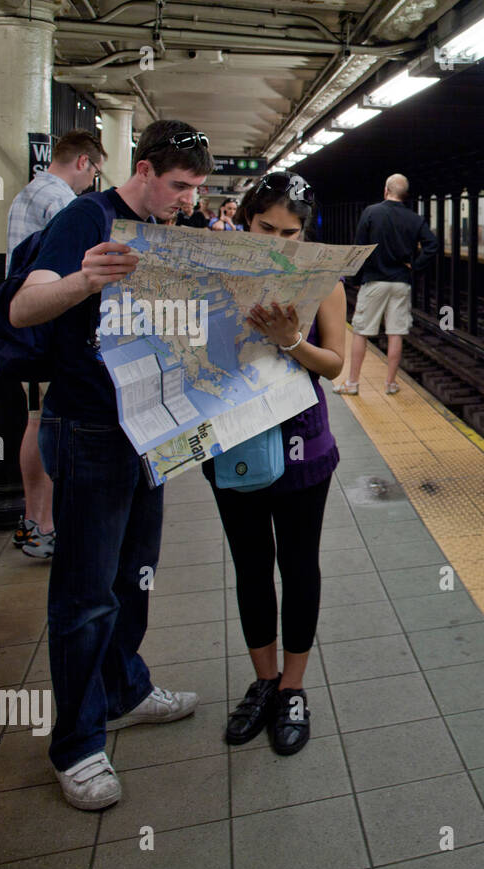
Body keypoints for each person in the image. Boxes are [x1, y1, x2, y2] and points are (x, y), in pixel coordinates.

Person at [8, 120, 214, 810]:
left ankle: (126, 687)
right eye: (179, 186)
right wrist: (84, 279)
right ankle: (77, 744)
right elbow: (24, 305)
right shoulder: (86, 217)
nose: (188, 199)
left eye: (197, 189)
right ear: (146, 170)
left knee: (135, 574)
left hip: (151, 426)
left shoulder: (172, 228)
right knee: (86, 593)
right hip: (93, 426)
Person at [206, 172, 345, 756]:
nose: (277, 241)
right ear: (243, 220)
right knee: (251, 565)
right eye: (266, 228)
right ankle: (262, 682)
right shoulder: (213, 276)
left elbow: (335, 364)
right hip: (233, 439)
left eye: (291, 232)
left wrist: (292, 339)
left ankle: (292, 687)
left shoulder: (322, 282)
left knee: (298, 563)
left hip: (300, 444)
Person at [4, 130, 106, 559]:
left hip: (26, 333)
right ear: (82, 162)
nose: (93, 182)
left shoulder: (26, 194)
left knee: (34, 418)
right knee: (45, 422)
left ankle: (33, 520)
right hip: (48, 329)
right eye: (95, 171)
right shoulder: (68, 205)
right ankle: (44, 523)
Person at [334, 173, 437, 396]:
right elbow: (432, 245)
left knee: (361, 332)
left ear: (385, 190)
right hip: (400, 282)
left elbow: (359, 248)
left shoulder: (372, 213)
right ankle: (390, 384)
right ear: (405, 194)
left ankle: (352, 383)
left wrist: (356, 280)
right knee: (395, 333)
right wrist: (416, 265)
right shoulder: (414, 219)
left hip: (374, 281)